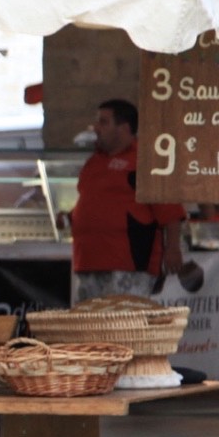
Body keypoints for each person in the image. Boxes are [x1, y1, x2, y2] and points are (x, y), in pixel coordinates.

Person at [70, 99, 184, 301]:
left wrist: (173, 248)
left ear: (123, 128)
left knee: (123, 325)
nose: (96, 128)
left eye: (103, 122)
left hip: (128, 264)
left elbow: (170, 209)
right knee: (90, 328)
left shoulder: (145, 160)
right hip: (88, 263)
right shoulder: (94, 162)